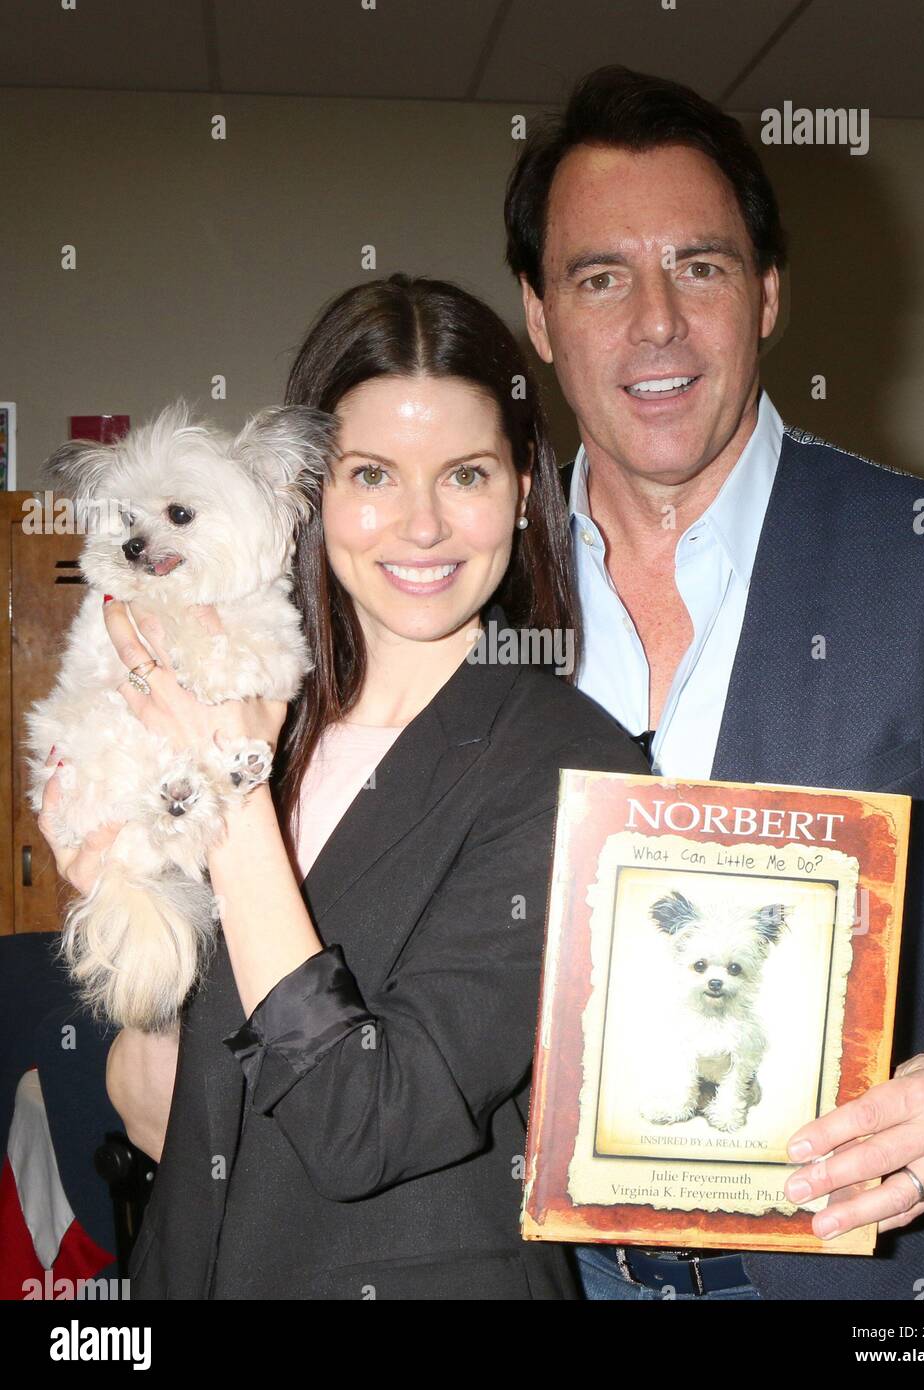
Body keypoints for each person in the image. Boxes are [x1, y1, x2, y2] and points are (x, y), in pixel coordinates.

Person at [502, 65, 924, 1300]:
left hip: (880, 1282)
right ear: (537, 314)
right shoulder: (466, 579)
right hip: (536, 1273)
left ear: (767, 295)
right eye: (599, 277)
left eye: (698, 267)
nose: (654, 322)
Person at [37, 272, 650, 1300]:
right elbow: (153, 1105)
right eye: (372, 473)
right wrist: (130, 901)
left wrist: (225, 806)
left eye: (464, 475)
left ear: (520, 488)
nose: (420, 526)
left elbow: (366, 1123)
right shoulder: (260, 709)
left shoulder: (572, 764)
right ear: (307, 496)